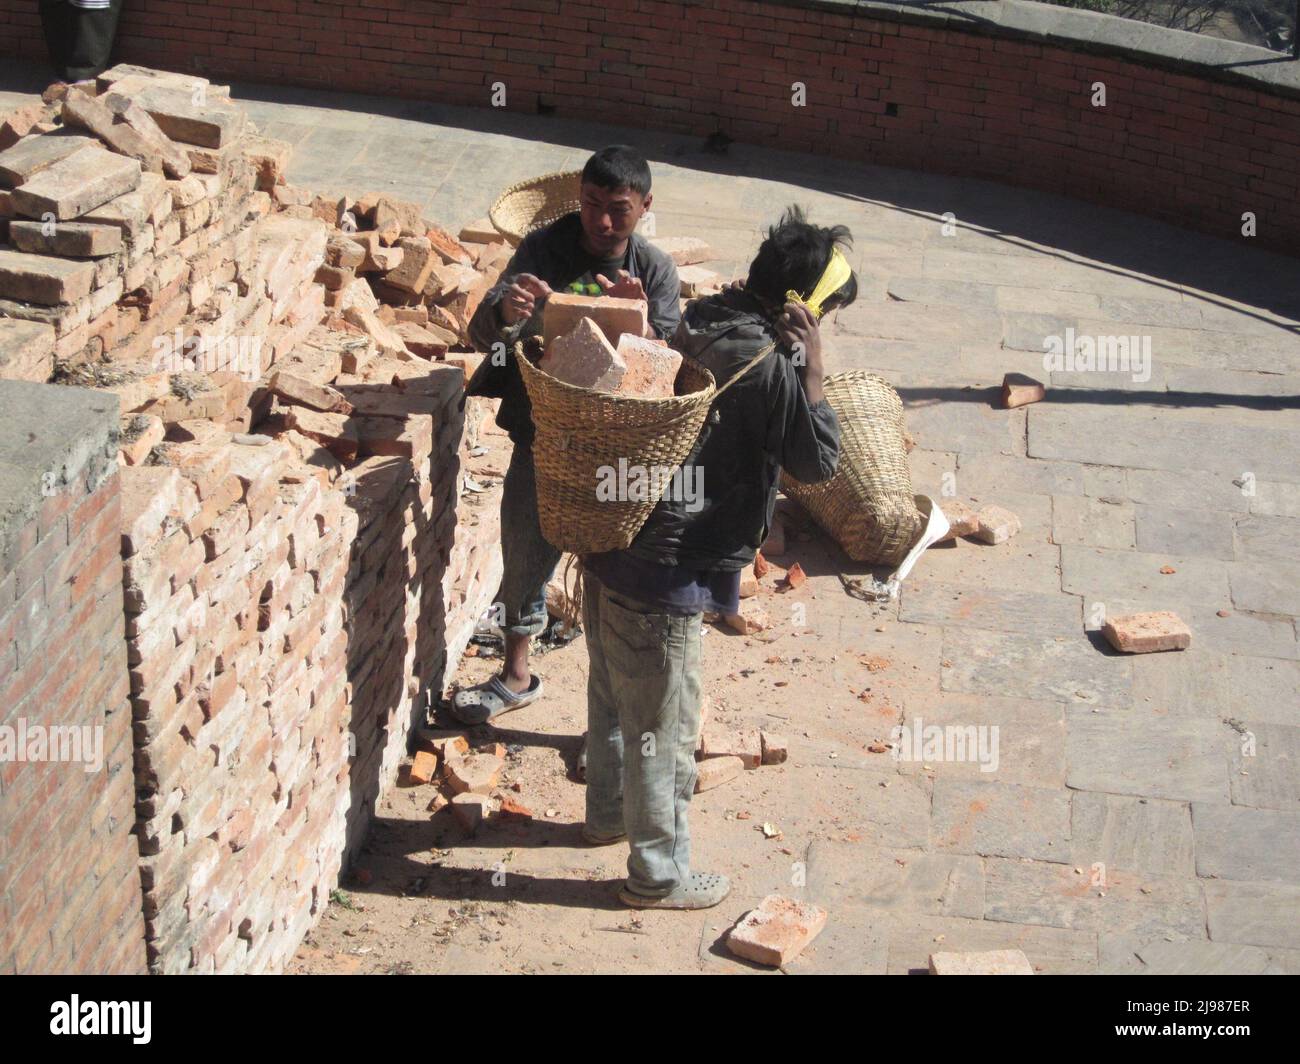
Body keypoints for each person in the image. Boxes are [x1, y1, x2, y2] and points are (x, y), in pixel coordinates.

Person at [580, 206, 857, 908]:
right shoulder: (772, 368)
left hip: (609, 541)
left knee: (614, 699)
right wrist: (815, 370)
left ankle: (608, 817)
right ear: (804, 311)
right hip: (670, 571)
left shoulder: (696, 318)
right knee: (665, 732)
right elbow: (817, 463)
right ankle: (658, 877)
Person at [452, 146, 681, 729]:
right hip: (545, 435)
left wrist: (644, 322)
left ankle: (610, 715)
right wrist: (507, 310)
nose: (603, 222)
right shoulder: (543, 250)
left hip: (621, 449)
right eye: (592, 205)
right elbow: (484, 337)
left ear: (645, 207)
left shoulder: (653, 271)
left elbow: (677, 365)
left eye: (618, 211)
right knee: (526, 550)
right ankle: (517, 674)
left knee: (620, 572)